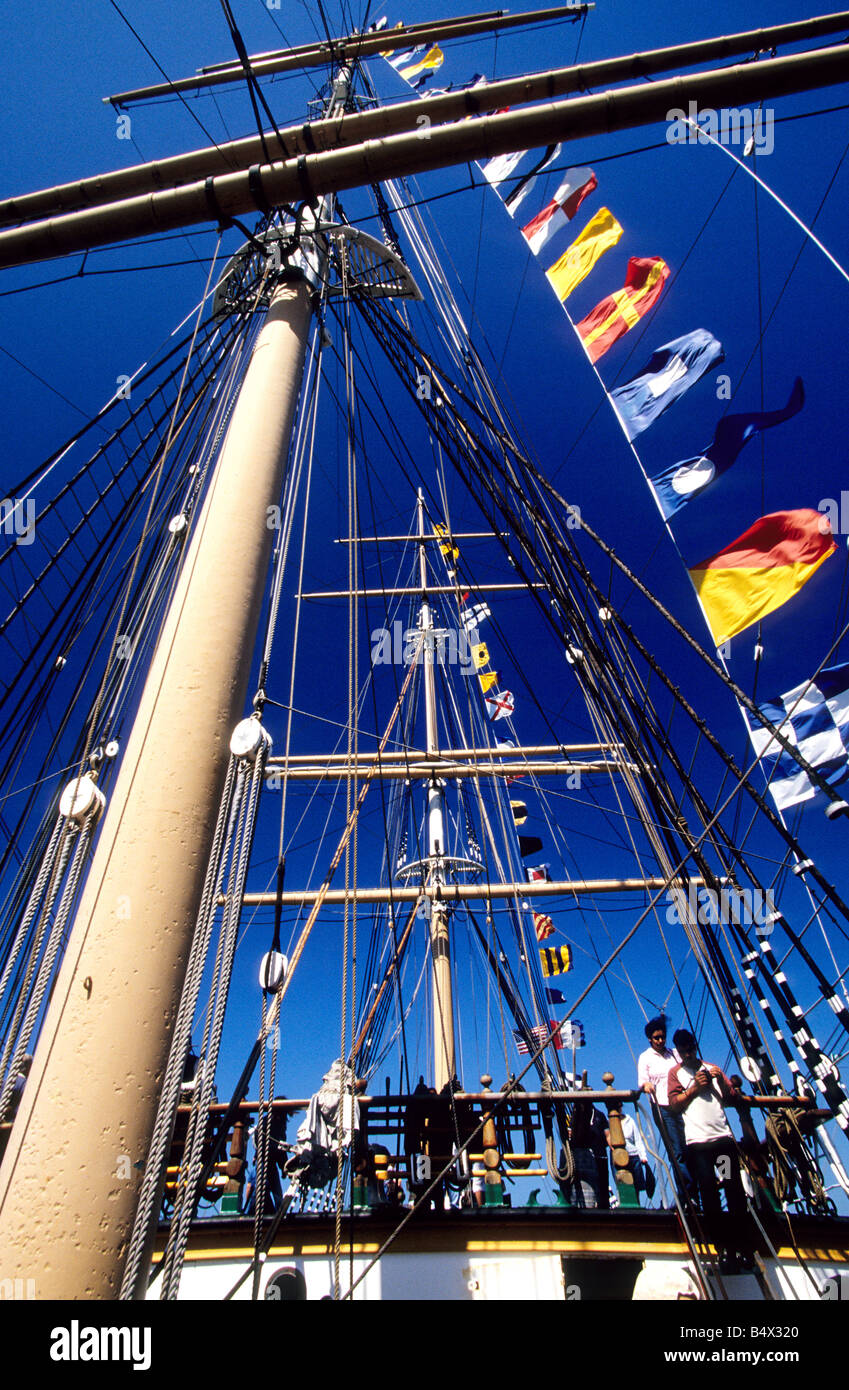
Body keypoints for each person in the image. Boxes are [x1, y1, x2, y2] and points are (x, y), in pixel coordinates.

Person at [667, 1030, 753, 1271]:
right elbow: (674, 1105)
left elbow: (731, 1096)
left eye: (690, 1048)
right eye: (682, 1050)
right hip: (699, 1144)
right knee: (709, 1194)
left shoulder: (712, 1067)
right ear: (678, 1051)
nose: (687, 1053)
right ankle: (722, 1247)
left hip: (722, 1140)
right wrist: (694, 1088)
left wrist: (720, 1082)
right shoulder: (676, 1074)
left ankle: (742, 1244)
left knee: (733, 1189)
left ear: (695, 1046)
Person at [637, 1017, 694, 1201]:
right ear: (649, 1039)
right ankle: (688, 1195)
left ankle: (703, 1189)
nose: (661, 1041)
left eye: (662, 1037)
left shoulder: (674, 1054)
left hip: (684, 1104)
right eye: (656, 1038)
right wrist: (647, 1086)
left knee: (692, 1146)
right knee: (677, 1151)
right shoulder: (645, 1058)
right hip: (663, 1107)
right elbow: (642, 1081)